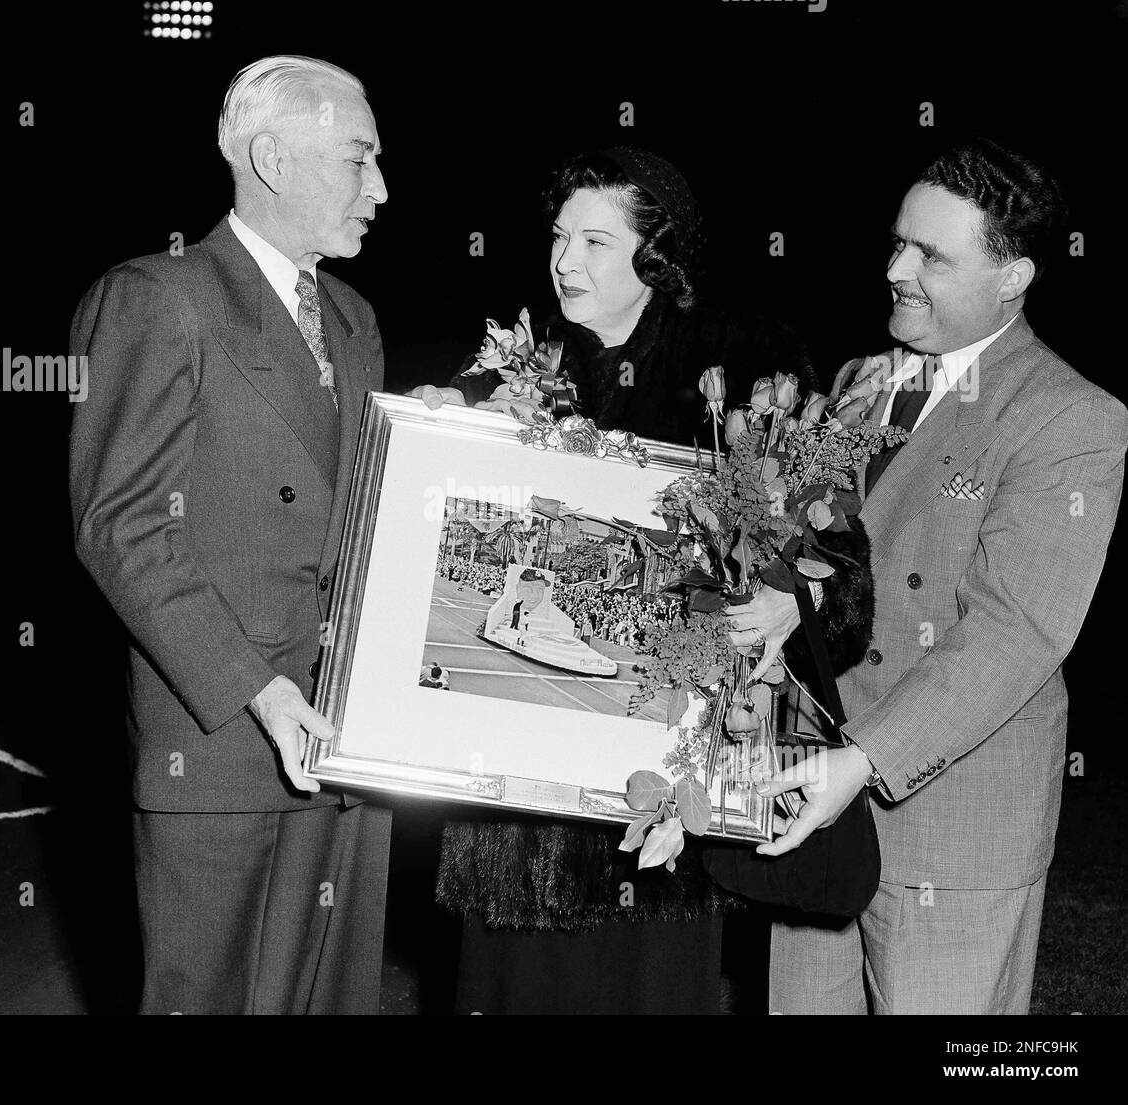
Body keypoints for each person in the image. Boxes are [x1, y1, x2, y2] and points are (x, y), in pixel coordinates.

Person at [433, 148, 876, 1014]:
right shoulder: (501, 372)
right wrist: (440, 442)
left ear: (657, 255)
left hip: (669, 810)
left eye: (596, 241)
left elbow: (845, 572)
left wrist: (798, 597)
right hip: (520, 815)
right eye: (559, 237)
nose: (564, 261)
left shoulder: (748, 359)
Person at [761, 139, 1127, 1014]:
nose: (896, 268)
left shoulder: (1069, 417)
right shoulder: (859, 381)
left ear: (1014, 278)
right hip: (810, 797)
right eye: (898, 243)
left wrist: (864, 758)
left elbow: (1017, 631)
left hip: (950, 821)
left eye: (931, 255)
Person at [69, 55, 391, 1014]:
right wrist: (260, 689)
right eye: (360, 159)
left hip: (345, 738)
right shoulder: (156, 298)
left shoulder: (353, 316)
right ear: (273, 160)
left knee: (330, 997)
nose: (381, 189)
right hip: (220, 746)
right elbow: (119, 526)